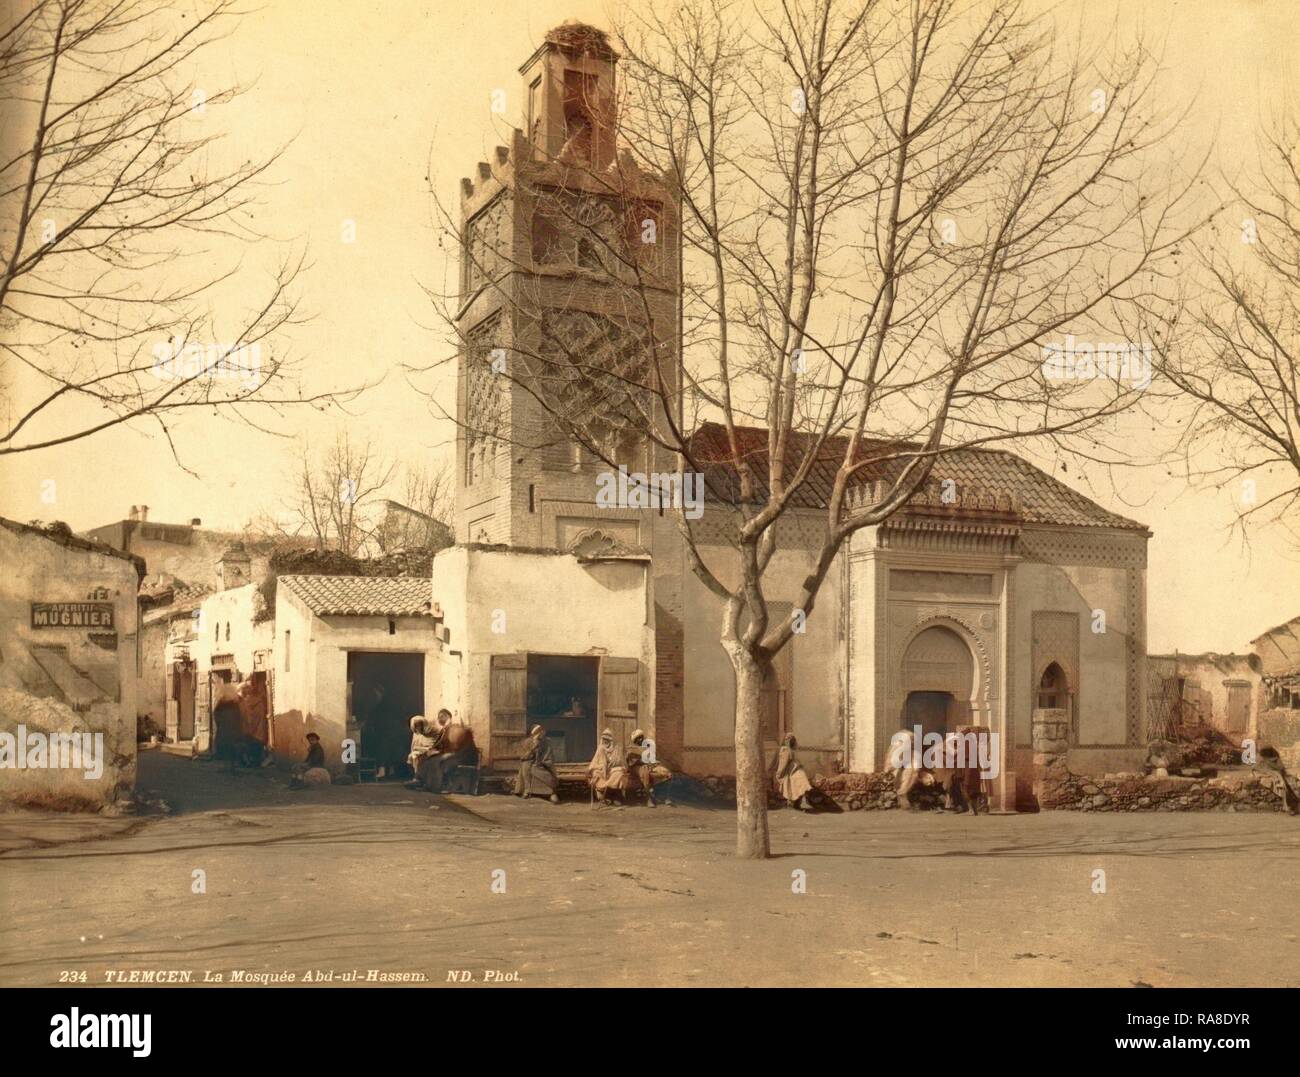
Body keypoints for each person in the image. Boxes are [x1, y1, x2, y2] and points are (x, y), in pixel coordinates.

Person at [421, 710, 480, 793]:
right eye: (438, 717)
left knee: (439, 762)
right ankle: (428, 785)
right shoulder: (445, 730)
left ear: (447, 717)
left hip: (462, 757)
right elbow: (441, 744)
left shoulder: (456, 729)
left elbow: (458, 746)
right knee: (430, 760)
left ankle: (439, 787)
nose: (438, 719)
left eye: (441, 716)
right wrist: (435, 750)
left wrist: (448, 753)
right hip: (453, 755)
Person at [515, 724, 559, 803]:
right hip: (531, 763)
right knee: (525, 766)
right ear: (535, 734)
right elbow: (523, 757)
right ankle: (527, 791)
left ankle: (551, 793)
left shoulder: (546, 742)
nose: (542, 734)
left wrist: (544, 762)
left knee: (548, 776)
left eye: (542, 732)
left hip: (544, 764)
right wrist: (534, 747)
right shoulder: (527, 742)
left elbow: (549, 757)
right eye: (539, 732)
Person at [771, 733, 814, 811]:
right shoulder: (785, 750)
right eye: (788, 739)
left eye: (791, 740)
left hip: (796, 769)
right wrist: (779, 774)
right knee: (795, 784)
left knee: (802, 784)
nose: (789, 741)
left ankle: (799, 802)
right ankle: (794, 802)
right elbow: (783, 764)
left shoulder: (790, 749)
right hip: (790, 771)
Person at [588, 728, 628, 805]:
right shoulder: (600, 749)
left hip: (613, 770)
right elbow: (594, 763)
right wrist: (601, 767)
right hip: (602, 770)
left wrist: (616, 768)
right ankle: (604, 795)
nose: (605, 741)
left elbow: (622, 763)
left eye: (607, 739)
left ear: (611, 740)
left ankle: (615, 795)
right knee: (596, 774)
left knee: (618, 774)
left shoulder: (617, 748)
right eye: (604, 739)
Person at [405, 716, 439, 789]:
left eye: (418, 726)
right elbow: (414, 746)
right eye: (415, 727)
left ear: (423, 724)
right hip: (420, 751)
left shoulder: (433, 731)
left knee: (420, 757)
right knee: (413, 756)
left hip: (432, 752)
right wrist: (417, 749)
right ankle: (417, 778)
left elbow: (433, 745)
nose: (417, 728)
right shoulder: (416, 733)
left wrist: (423, 749)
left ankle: (419, 780)